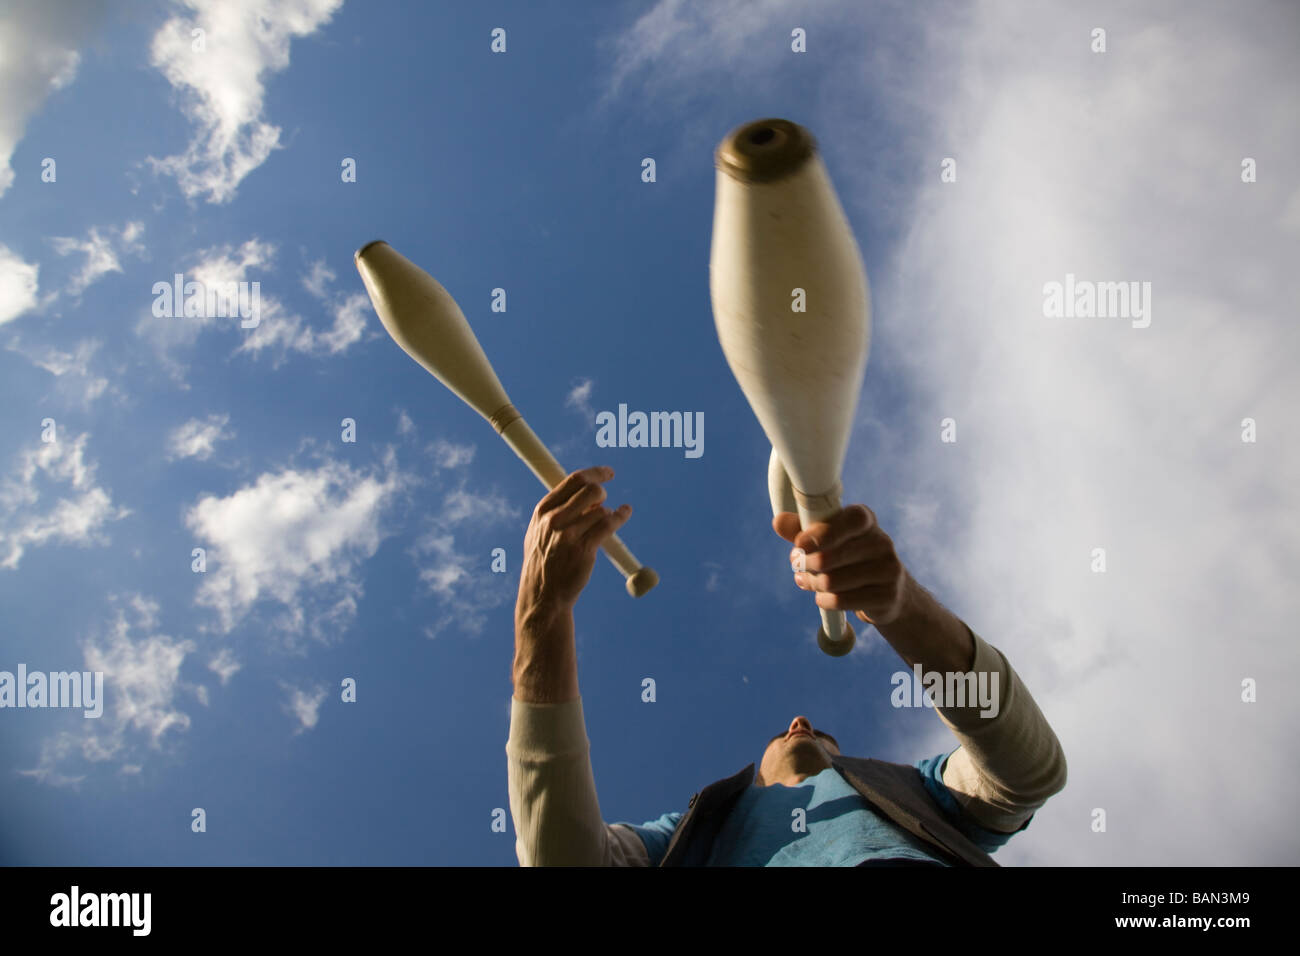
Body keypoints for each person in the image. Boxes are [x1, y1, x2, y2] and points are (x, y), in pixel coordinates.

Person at [506, 466, 1066, 866]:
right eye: (794, 728)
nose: (799, 721)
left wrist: (904, 610)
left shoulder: (918, 789)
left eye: (814, 730)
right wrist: (542, 616)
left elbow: (1027, 770)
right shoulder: (689, 834)